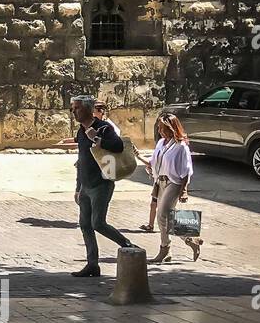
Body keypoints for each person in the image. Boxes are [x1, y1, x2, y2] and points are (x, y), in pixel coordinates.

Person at [70, 96, 134, 277]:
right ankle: (92, 265)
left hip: (101, 184)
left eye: (77, 108)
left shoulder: (103, 127)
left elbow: (118, 146)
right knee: (85, 224)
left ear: (88, 109)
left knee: (98, 223)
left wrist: (97, 138)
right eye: (72, 109)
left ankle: (129, 247)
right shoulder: (81, 131)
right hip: (86, 185)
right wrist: (78, 187)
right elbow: (81, 161)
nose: (74, 112)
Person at [140, 112, 203, 264]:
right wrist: (137, 155)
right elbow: (153, 162)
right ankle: (191, 238)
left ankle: (165, 248)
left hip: (174, 183)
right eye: (159, 128)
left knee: (161, 215)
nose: (160, 131)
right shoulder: (161, 143)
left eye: (163, 128)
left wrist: (184, 190)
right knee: (168, 217)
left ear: (172, 128)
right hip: (160, 182)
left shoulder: (181, 147)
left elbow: (186, 171)